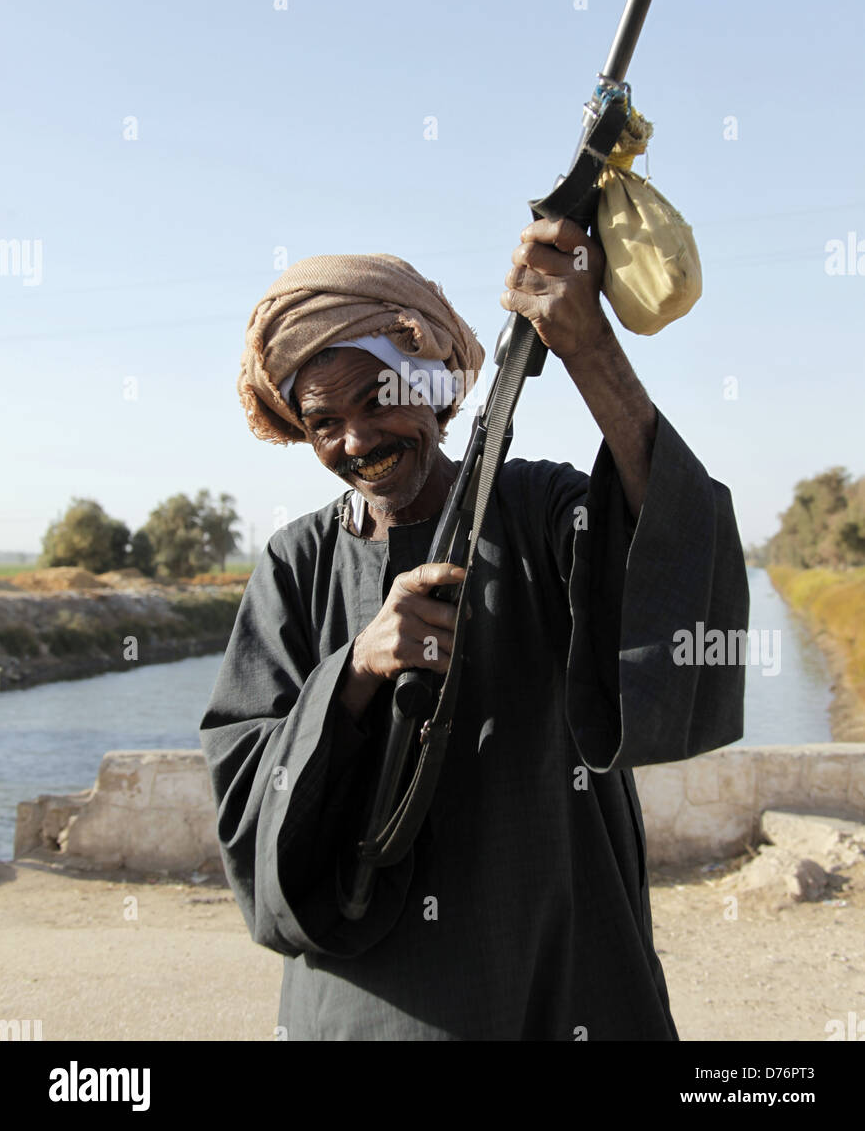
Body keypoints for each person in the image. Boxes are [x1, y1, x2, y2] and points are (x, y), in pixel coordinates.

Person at [199, 218, 748, 1041]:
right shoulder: (297, 562)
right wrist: (356, 671)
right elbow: (246, 790)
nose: (357, 440)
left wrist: (589, 349)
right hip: (370, 1008)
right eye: (322, 422)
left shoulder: (537, 512)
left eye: (381, 396)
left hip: (560, 983)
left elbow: (678, 553)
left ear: (429, 383)